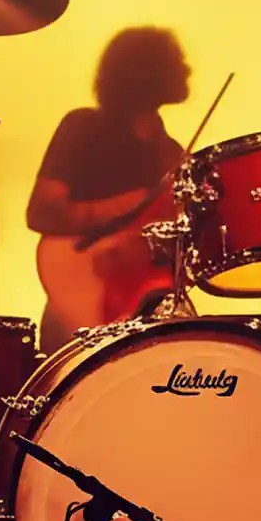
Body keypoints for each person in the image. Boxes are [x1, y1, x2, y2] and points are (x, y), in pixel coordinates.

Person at [27, 27, 191, 355]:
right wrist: (125, 209)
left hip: (147, 304)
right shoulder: (83, 127)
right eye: (177, 62)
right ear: (146, 72)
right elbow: (41, 211)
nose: (187, 70)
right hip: (81, 303)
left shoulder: (171, 153)